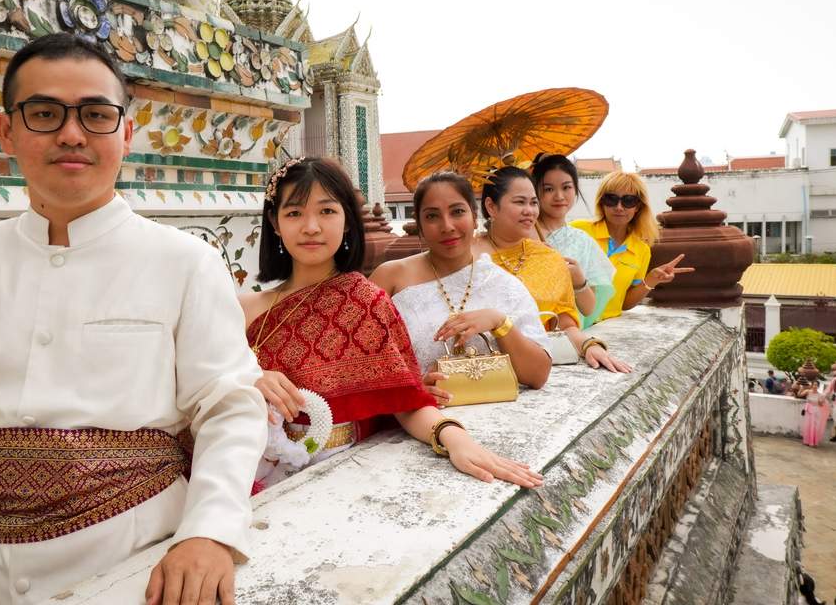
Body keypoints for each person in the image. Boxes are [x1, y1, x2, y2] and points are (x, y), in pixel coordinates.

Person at [0, 33, 267, 605]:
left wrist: (210, 532)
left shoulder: (185, 262)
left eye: (95, 114)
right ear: (6, 132)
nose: (71, 133)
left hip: (139, 564)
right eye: (44, 113)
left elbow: (230, 405)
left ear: (126, 134)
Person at [239, 157, 542, 490]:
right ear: (276, 222)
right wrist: (246, 379)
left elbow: (406, 401)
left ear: (348, 221)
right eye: (294, 213)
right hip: (247, 472)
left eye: (327, 211)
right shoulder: (244, 308)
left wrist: (456, 439)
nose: (311, 226)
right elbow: (197, 390)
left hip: (336, 479)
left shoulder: (366, 302)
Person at [372, 171, 555, 404]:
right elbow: (357, 363)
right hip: (421, 420)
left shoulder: (503, 284)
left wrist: (499, 323)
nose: (447, 226)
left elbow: (538, 375)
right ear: (419, 223)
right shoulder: (391, 278)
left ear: (474, 215)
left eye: (457, 212)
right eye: (432, 216)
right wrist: (409, 390)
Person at [474, 166, 630, 373]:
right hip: (479, 367)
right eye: (520, 202)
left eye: (533, 202)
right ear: (491, 207)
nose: (530, 211)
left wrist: (589, 346)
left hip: (534, 369)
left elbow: (564, 325)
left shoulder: (548, 257)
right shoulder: (467, 256)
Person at [573, 171, 694, 320]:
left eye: (628, 201)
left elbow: (624, 303)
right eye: (611, 199)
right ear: (601, 202)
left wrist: (651, 280)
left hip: (605, 328)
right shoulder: (578, 230)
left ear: (638, 207)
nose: (619, 207)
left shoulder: (641, 249)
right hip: (570, 326)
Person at [528, 154, 615, 328]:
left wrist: (578, 280)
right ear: (535, 191)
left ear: (575, 189)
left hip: (569, 336)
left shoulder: (582, 241)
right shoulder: (523, 235)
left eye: (566, 187)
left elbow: (589, 309)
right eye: (549, 189)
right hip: (530, 335)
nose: (559, 196)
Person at [795, 365, 830, 447]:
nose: (815, 386)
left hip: (816, 411)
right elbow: (799, 395)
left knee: (815, 427)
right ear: (812, 385)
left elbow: (821, 404)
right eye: (814, 385)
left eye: (816, 385)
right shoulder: (808, 391)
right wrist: (801, 387)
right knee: (808, 425)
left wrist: (822, 401)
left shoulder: (820, 395)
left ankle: (814, 441)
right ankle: (807, 441)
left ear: (818, 386)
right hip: (809, 410)